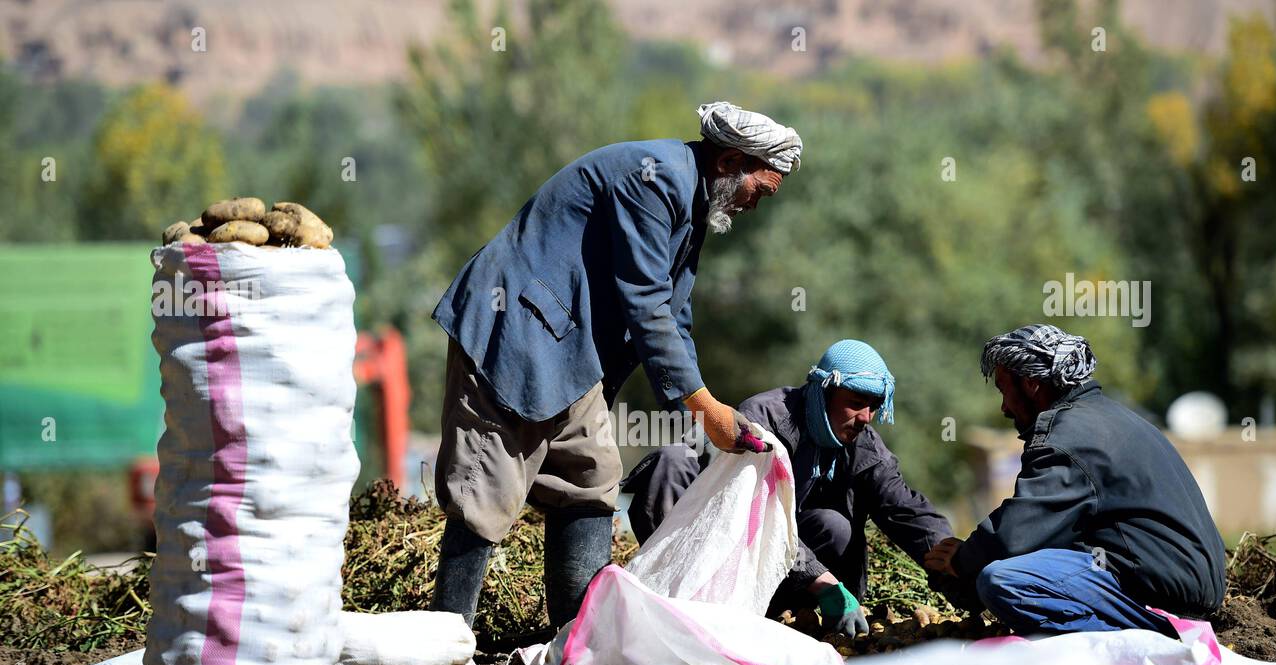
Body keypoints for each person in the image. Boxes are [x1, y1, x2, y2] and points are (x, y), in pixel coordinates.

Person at [429, 102, 802, 633]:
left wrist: (708, 406)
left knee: (591, 477)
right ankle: (444, 646)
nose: (755, 206)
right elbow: (645, 303)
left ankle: (574, 641)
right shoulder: (656, 181)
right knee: (486, 486)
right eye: (759, 190)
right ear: (730, 163)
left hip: (567, 353)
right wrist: (704, 408)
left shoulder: (692, 201)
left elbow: (675, 316)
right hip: (515, 329)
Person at [625, 340, 954, 637]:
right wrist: (820, 579)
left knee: (834, 526)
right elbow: (758, 519)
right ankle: (668, 601)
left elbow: (905, 510)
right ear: (823, 393)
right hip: (731, 560)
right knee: (672, 461)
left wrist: (956, 558)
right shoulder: (765, 419)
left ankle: (798, 620)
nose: (866, 417)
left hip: (796, 586)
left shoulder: (864, 447)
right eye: (855, 403)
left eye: (873, 407)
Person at [923, 324, 1226, 637]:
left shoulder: (1068, 437)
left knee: (1003, 580)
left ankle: (1146, 641)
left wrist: (961, 560)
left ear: (1030, 384)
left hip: (1167, 593)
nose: (1003, 407)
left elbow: (1017, 533)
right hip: (1184, 584)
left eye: (1003, 390)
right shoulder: (1113, 417)